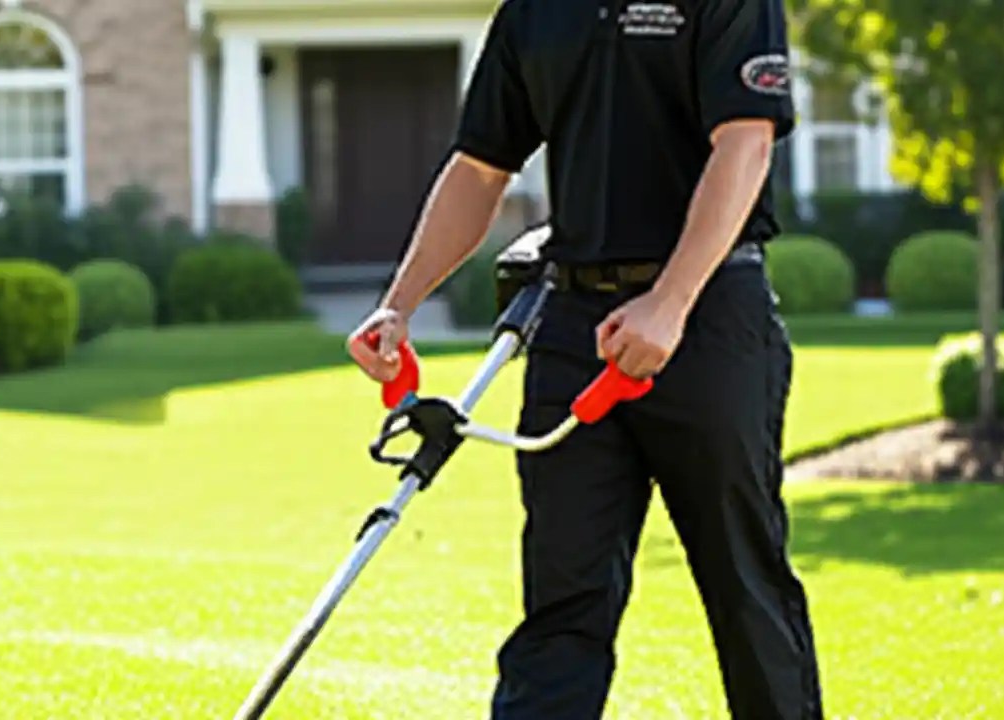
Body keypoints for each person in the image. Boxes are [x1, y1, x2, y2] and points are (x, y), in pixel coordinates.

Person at [346, 0, 823, 717]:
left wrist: (669, 302)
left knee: (745, 587)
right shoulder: (535, 11)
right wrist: (400, 304)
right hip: (571, 328)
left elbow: (746, 145)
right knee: (561, 604)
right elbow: (479, 169)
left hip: (709, 319)